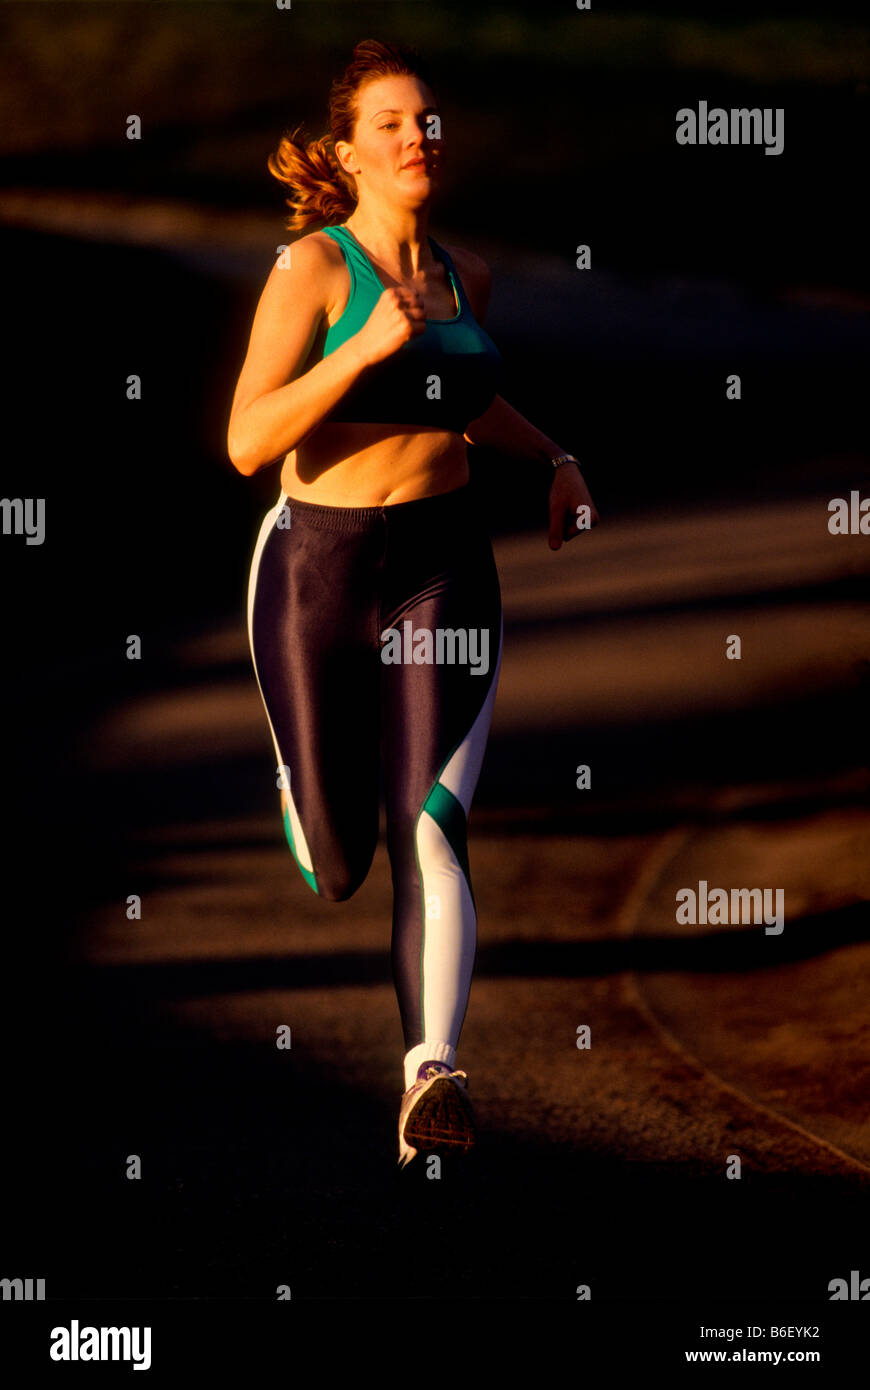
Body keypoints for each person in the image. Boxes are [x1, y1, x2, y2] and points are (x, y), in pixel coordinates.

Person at [227, 39, 599, 1169]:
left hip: (445, 566)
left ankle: (430, 1070)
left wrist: (554, 458)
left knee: (432, 833)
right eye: (391, 123)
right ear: (350, 152)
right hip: (314, 568)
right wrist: (362, 353)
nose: (416, 138)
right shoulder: (314, 271)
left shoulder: (465, 274)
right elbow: (248, 440)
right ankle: (301, 780)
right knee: (340, 863)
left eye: (427, 119)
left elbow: (464, 397)